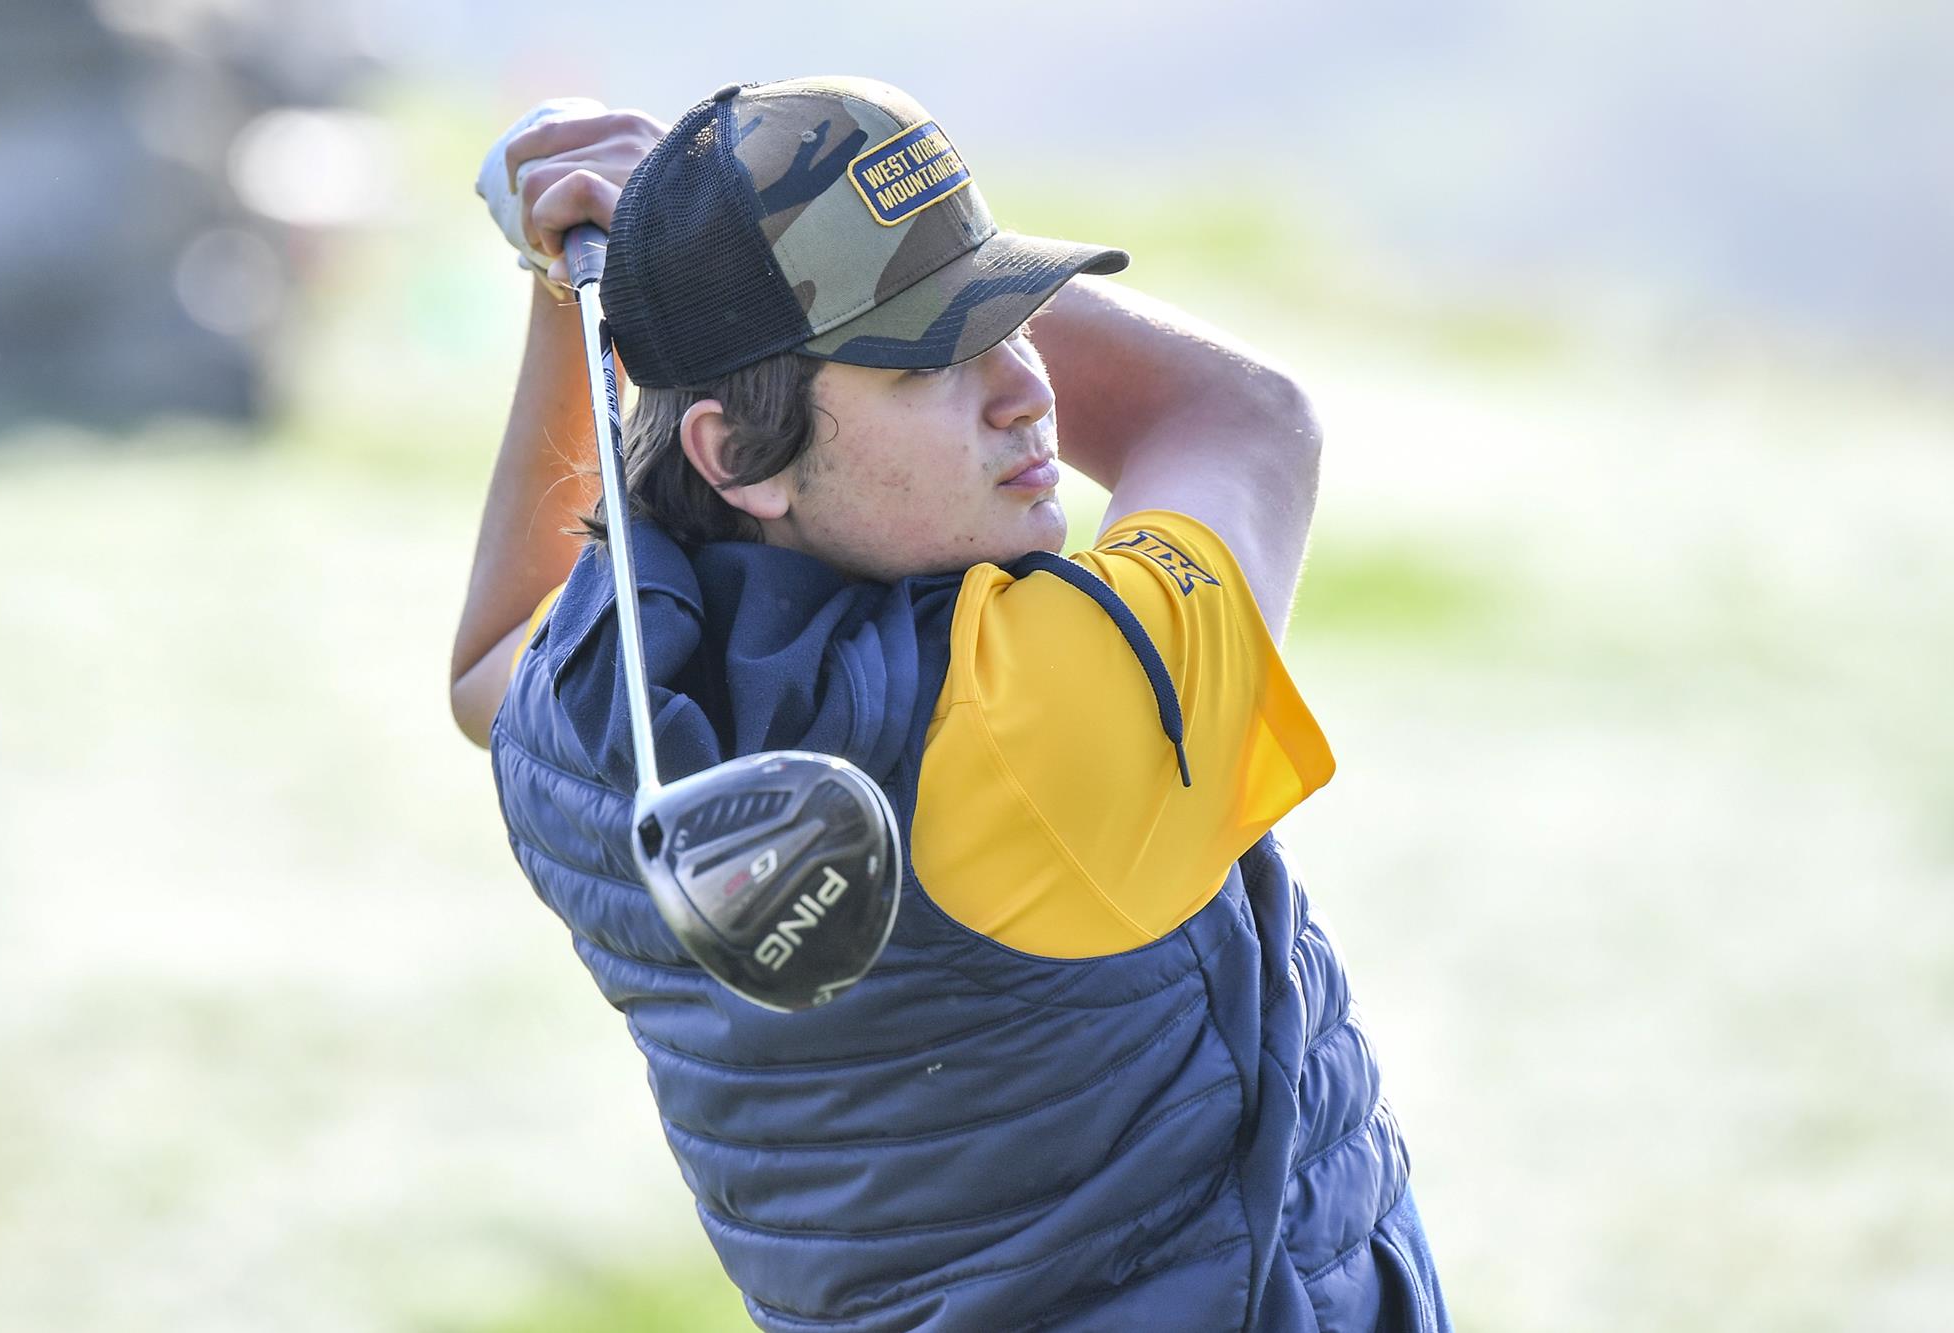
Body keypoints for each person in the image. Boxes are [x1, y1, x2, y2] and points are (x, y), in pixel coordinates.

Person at [451, 75, 1451, 1331]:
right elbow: (1240, 416)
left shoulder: (597, 714)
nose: (1026, 389)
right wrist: (713, 239)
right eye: (924, 353)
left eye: (1014, 314)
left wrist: (610, 287)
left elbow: (492, 651)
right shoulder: (1042, 704)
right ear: (733, 456)